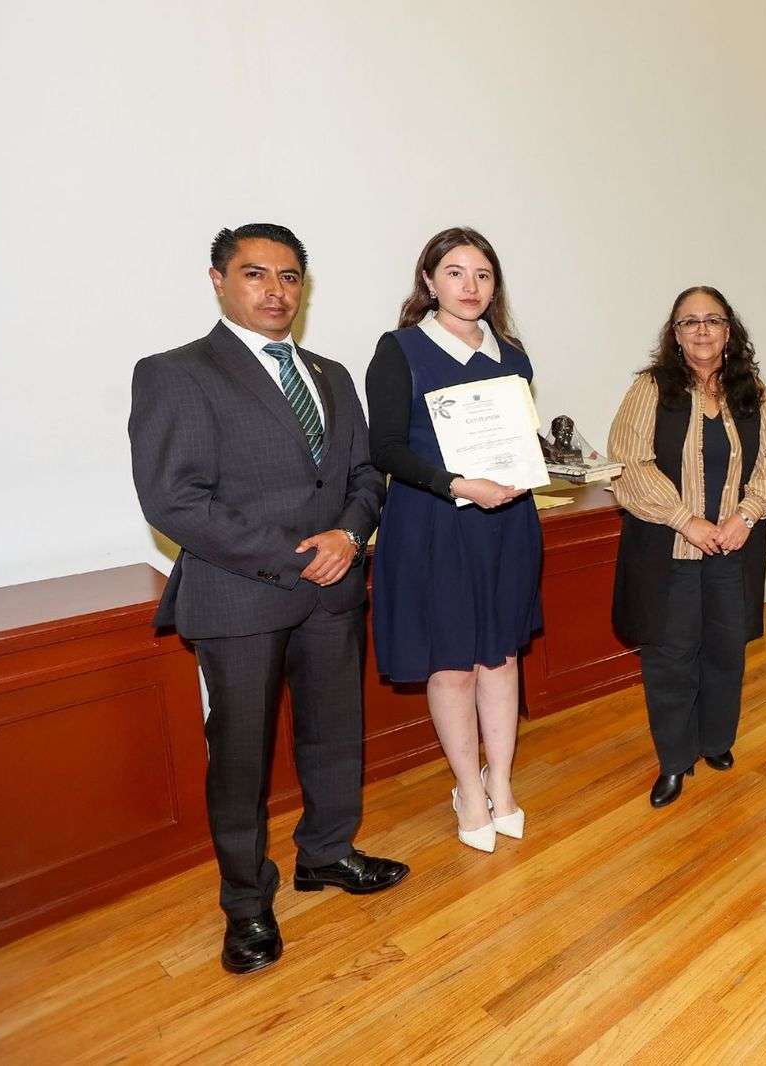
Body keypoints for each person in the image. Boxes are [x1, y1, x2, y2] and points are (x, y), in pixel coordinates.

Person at [128, 223, 407, 975]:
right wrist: (296, 557)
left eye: (289, 277)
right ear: (218, 280)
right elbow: (174, 499)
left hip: (334, 592)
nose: (275, 291)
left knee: (334, 735)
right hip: (240, 597)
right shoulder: (175, 373)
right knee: (241, 760)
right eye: (255, 274)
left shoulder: (332, 374)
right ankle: (247, 903)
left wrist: (349, 535)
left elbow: (364, 476)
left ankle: (328, 853)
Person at [365, 227, 542, 853]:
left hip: (506, 524)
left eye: (483, 275)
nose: (471, 287)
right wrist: (459, 484)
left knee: (501, 656)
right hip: (435, 524)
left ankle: (503, 783)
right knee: (453, 663)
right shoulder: (400, 350)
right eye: (456, 273)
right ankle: (468, 788)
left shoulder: (512, 355)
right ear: (429, 281)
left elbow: (520, 438)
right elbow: (386, 449)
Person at [608, 286, 766, 807]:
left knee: (725, 649)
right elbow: (629, 461)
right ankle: (674, 759)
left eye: (713, 320)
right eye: (690, 321)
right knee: (670, 655)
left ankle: (715, 741)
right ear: (676, 333)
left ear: (729, 330)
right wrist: (685, 521)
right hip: (668, 552)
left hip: (734, 547)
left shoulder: (750, 390)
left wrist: (746, 515)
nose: (703, 330)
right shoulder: (651, 388)